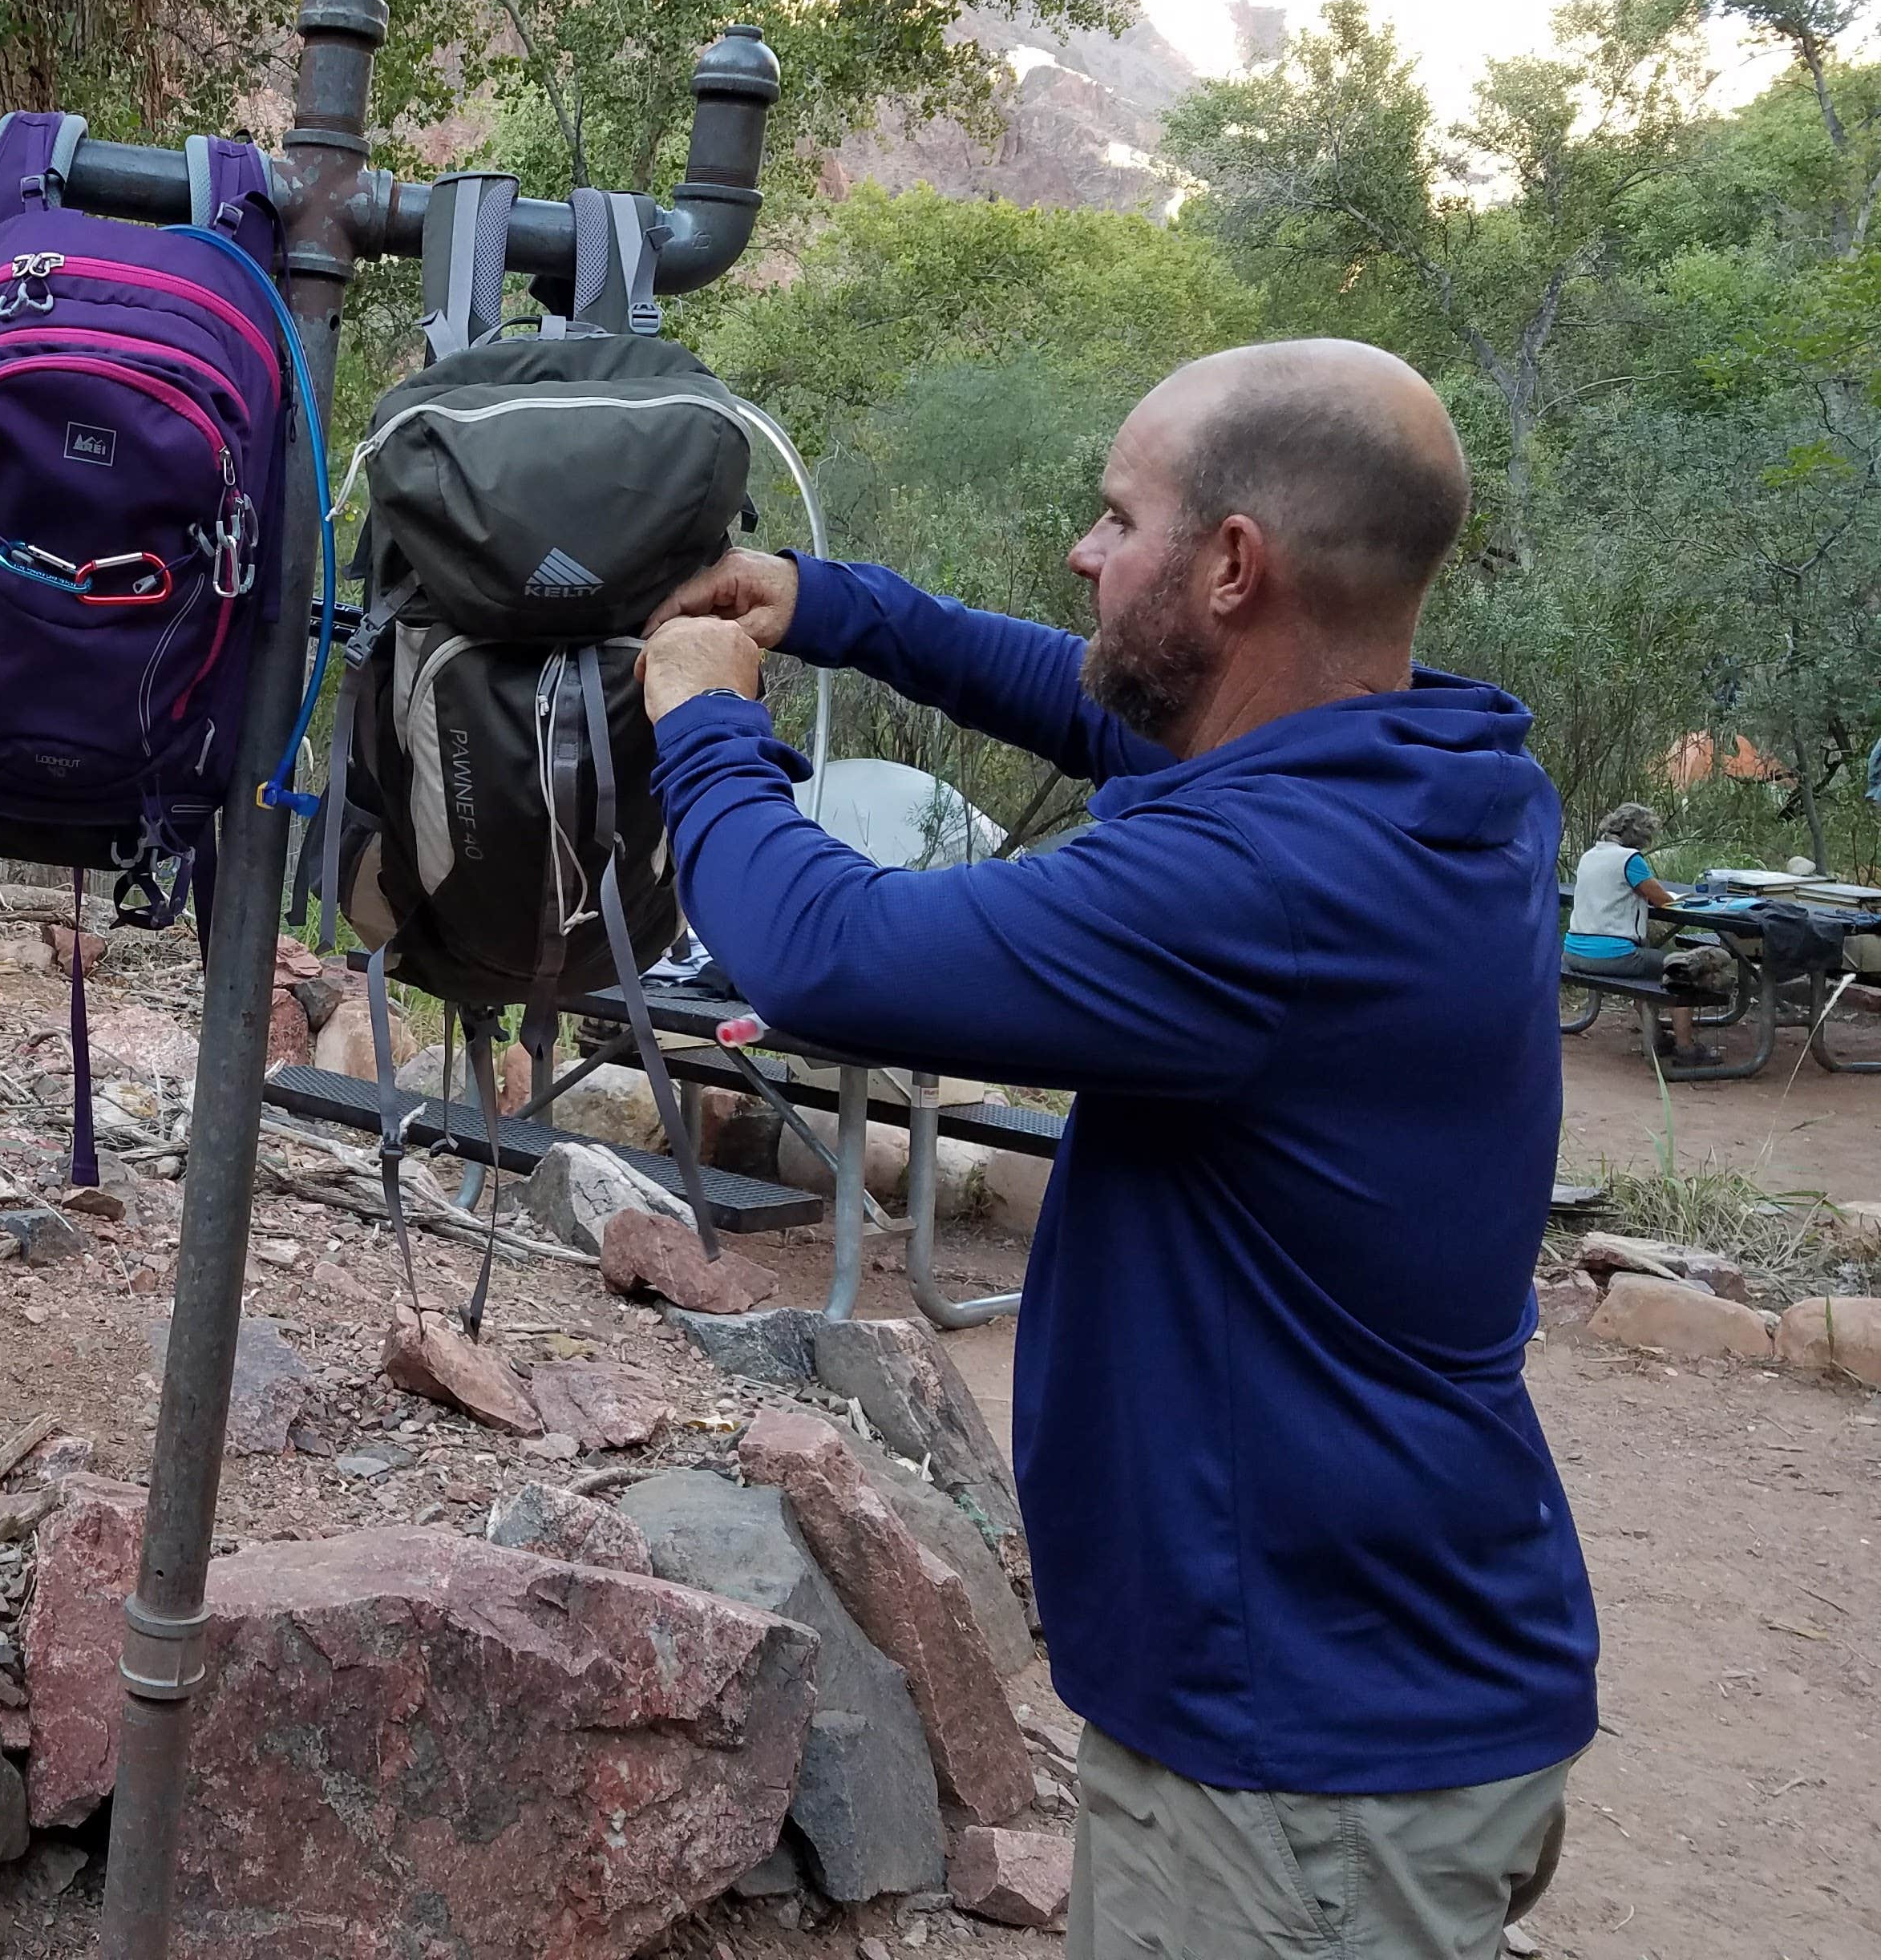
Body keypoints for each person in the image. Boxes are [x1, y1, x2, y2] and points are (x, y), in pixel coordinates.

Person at [640, 337, 1593, 1960]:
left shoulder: (1269, 886)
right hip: (1390, 1676)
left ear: (1233, 566)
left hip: (1300, 1768)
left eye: (1117, 516)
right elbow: (1112, 715)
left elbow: (823, 957)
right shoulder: (1438, 777)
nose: (1084, 552)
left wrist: (706, 724)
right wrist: (839, 606)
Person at [1563, 802, 1675, 978]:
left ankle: (1635, 1000)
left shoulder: (1588, 856)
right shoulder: (1630, 859)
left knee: (1649, 955)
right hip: (1613, 956)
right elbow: (1664, 901)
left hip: (1572, 954)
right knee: (1679, 966)